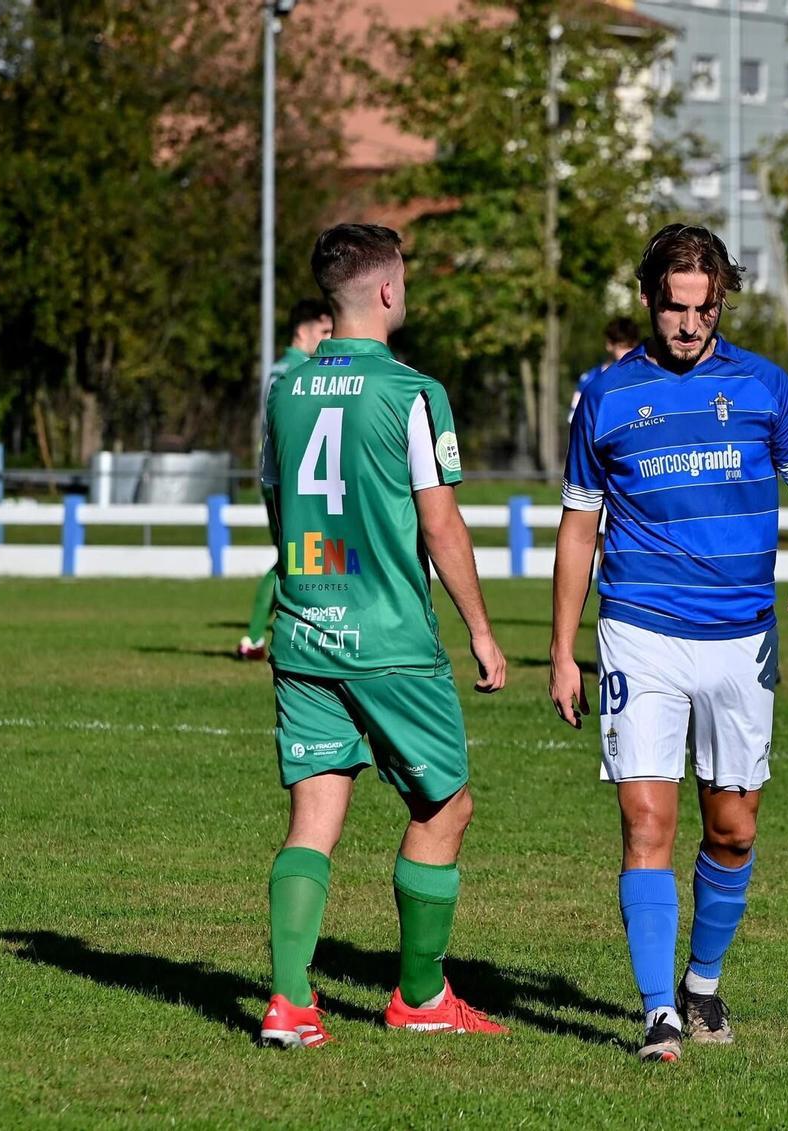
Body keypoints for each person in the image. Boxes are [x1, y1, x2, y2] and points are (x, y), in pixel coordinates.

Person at [548, 224, 788, 1063]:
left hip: (740, 637)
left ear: (722, 302)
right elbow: (579, 529)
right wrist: (563, 648)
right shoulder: (605, 397)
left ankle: (702, 986)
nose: (687, 324)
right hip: (638, 628)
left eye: (702, 308)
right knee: (647, 820)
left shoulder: (765, 387)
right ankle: (657, 1014)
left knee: (734, 829)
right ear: (649, 299)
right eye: (673, 306)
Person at [258, 223, 509, 1048]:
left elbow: (276, 507)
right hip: (391, 638)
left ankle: (290, 1004)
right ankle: (420, 995)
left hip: (304, 630)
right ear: (389, 291)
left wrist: (306, 579)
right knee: (446, 804)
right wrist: (480, 629)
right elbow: (440, 524)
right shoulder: (412, 392)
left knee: (315, 814)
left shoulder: (283, 389)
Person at [236, 299, 334, 661]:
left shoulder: (300, 367)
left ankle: (283, 632)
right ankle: (254, 638)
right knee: (293, 559)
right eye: (323, 331)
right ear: (303, 330)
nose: (328, 338)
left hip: (298, 482)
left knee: (302, 558)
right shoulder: (288, 371)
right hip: (286, 483)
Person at [568, 317, 641, 423]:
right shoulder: (589, 380)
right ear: (609, 344)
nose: (627, 353)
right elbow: (575, 420)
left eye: (630, 347)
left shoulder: (645, 377)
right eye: (621, 346)